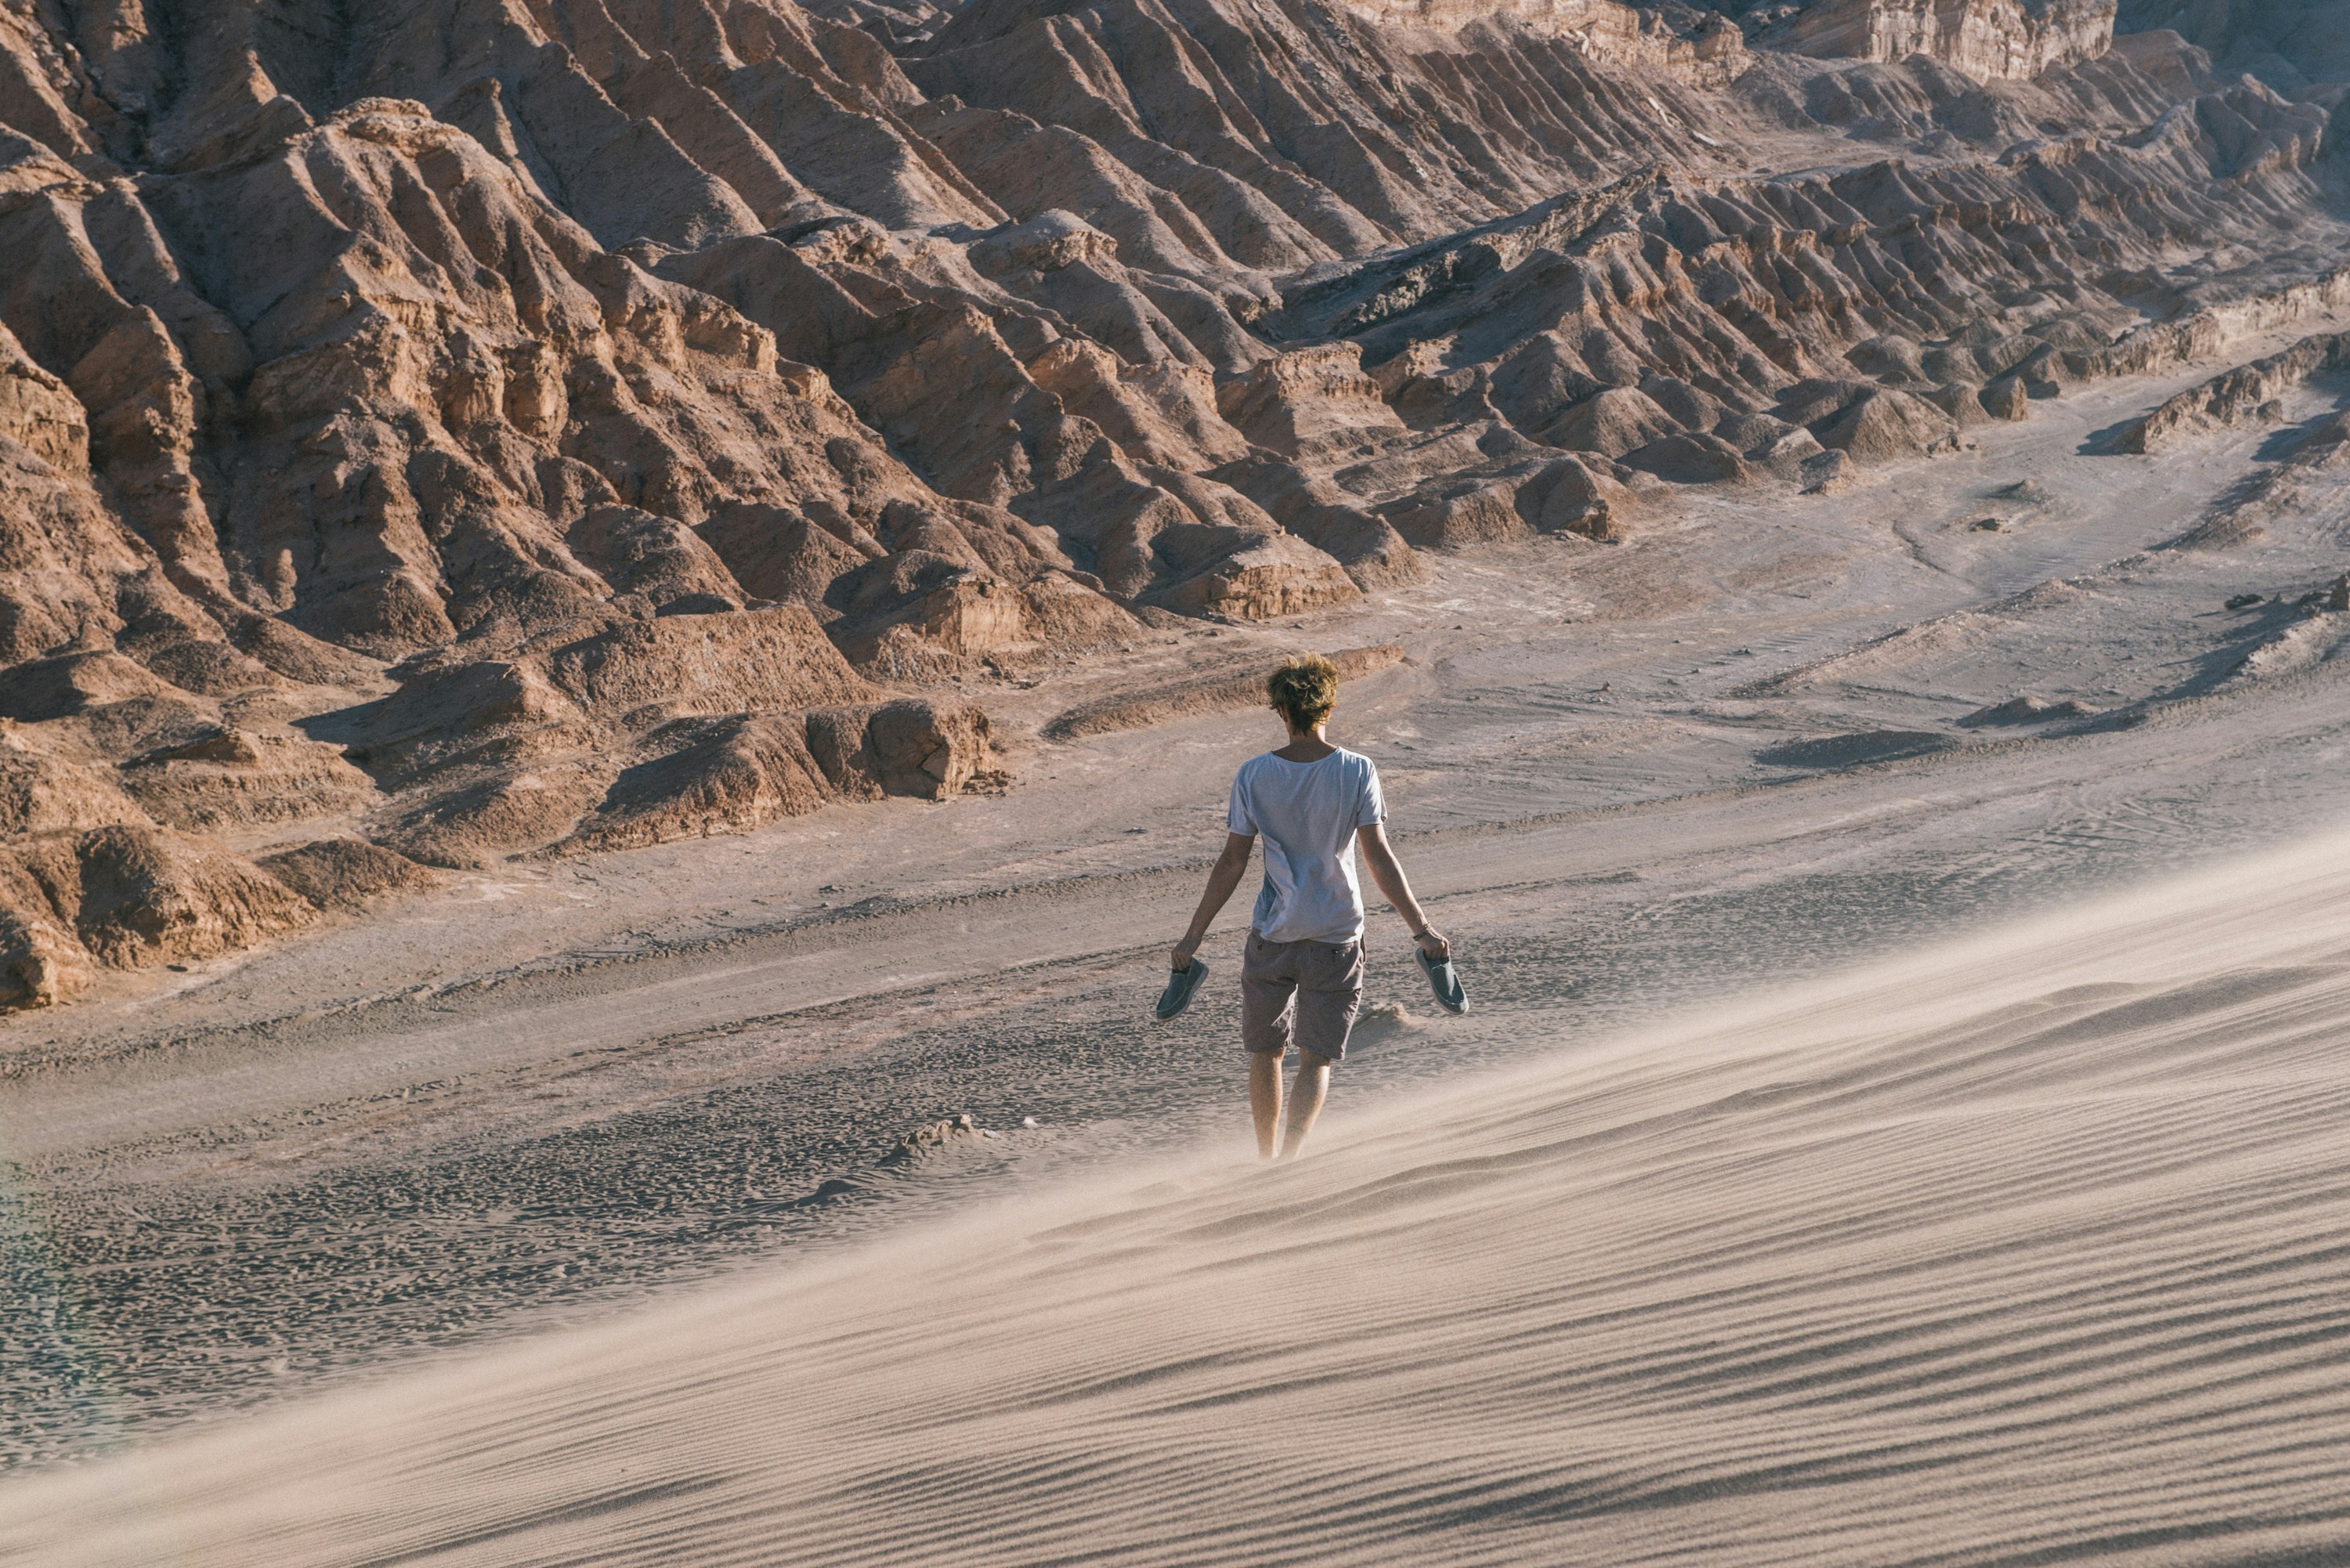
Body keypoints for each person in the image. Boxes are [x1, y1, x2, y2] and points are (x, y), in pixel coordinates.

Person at [1170, 654, 1451, 1160]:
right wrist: (1422, 930)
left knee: (1265, 1054)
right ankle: (1290, 1163)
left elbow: (1232, 861)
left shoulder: (1254, 774)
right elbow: (1378, 858)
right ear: (1329, 705)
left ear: (1281, 710)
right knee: (1316, 1059)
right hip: (1336, 934)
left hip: (1273, 934)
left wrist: (1193, 938)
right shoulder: (1356, 769)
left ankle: (1264, 1159)